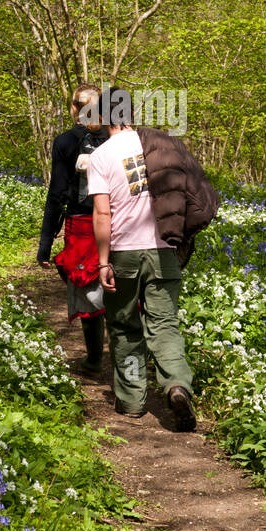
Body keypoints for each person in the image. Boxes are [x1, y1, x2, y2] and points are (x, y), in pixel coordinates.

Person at [88, 87, 198, 432]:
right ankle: (177, 385)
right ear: (131, 113)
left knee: (124, 325)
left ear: (103, 117)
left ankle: (133, 400)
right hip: (164, 248)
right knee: (164, 324)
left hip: (123, 253)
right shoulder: (161, 146)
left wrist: (103, 261)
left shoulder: (101, 156)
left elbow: (102, 214)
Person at [38, 83, 109, 377]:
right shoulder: (118, 139)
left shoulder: (65, 142)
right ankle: (129, 359)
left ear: (73, 109)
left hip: (81, 224)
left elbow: (57, 195)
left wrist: (45, 242)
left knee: (87, 286)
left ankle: (94, 359)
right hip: (119, 221)